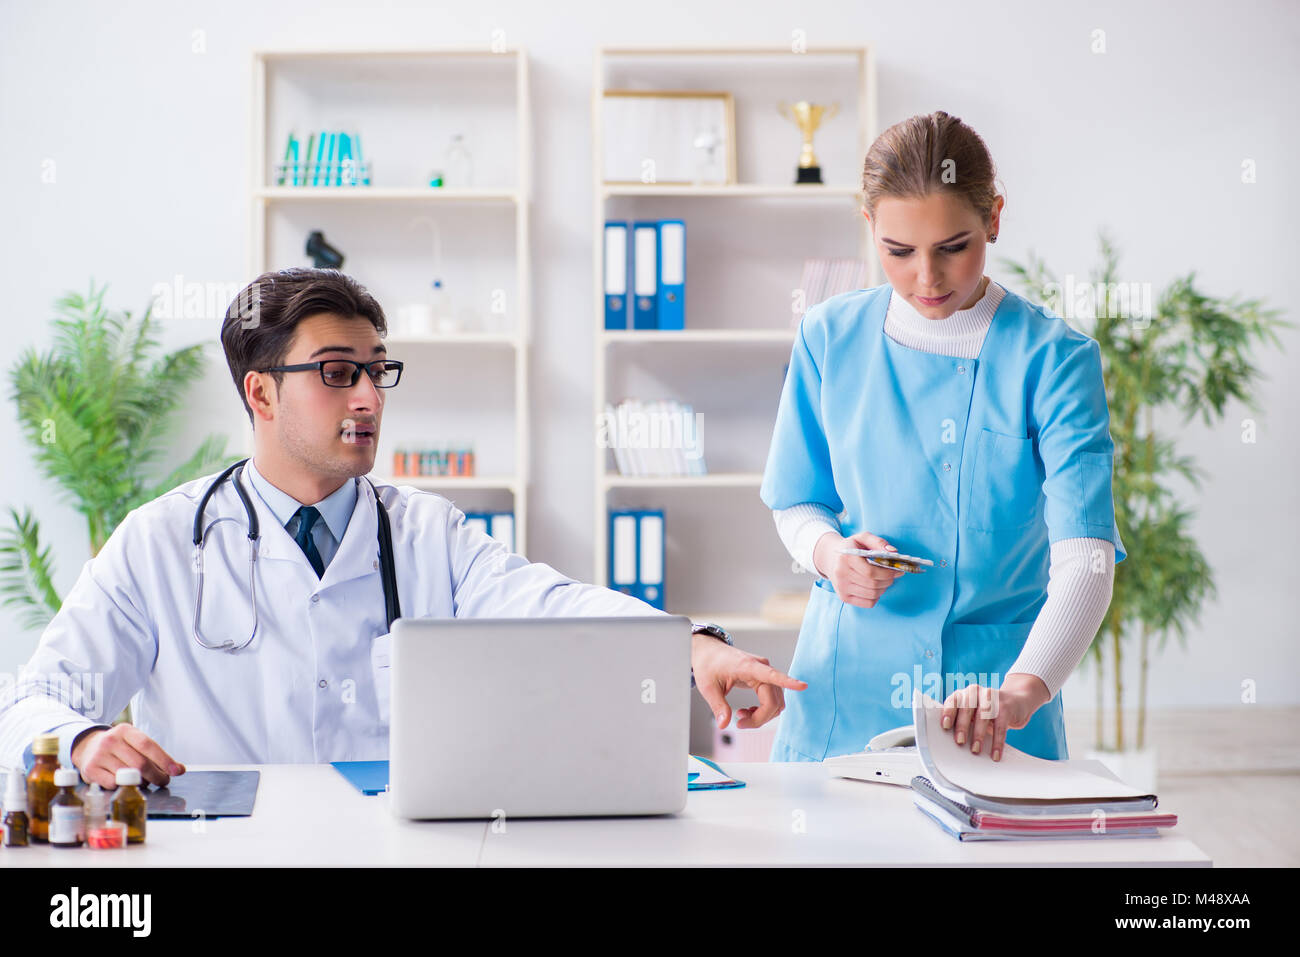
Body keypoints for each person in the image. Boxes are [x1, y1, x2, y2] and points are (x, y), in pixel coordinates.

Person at [0, 268, 804, 787]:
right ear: (261, 395)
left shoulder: (426, 532)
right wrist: (78, 741)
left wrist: (687, 642)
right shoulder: (160, 541)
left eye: (376, 371)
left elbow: (548, 603)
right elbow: (37, 697)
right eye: (337, 374)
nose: (369, 398)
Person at [761, 110, 1125, 764]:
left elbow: (1086, 560)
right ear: (868, 225)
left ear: (993, 218)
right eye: (898, 251)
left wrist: (1022, 689)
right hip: (844, 693)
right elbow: (797, 502)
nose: (926, 278)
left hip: (992, 706)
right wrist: (829, 554)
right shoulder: (828, 337)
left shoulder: (1054, 359)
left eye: (953, 246)